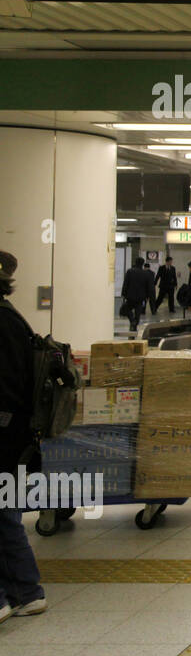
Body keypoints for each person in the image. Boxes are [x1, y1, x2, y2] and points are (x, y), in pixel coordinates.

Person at [0, 250, 48, 622]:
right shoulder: (11, 318)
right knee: (6, 513)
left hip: (5, 433)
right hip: (16, 433)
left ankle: (13, 595)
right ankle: (25, 593)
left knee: (4, 514)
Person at [120, 257, 153, 332]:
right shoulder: (146, 273)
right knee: (138, 311)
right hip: (141, 296)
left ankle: (132, 321)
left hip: (130, 295)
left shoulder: (130, 271)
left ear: (135, 262)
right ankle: (135, 323)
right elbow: (148, 286)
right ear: (142, 264)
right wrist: (148, 296)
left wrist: (123, 294)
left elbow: (126, 283)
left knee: (128, 309)